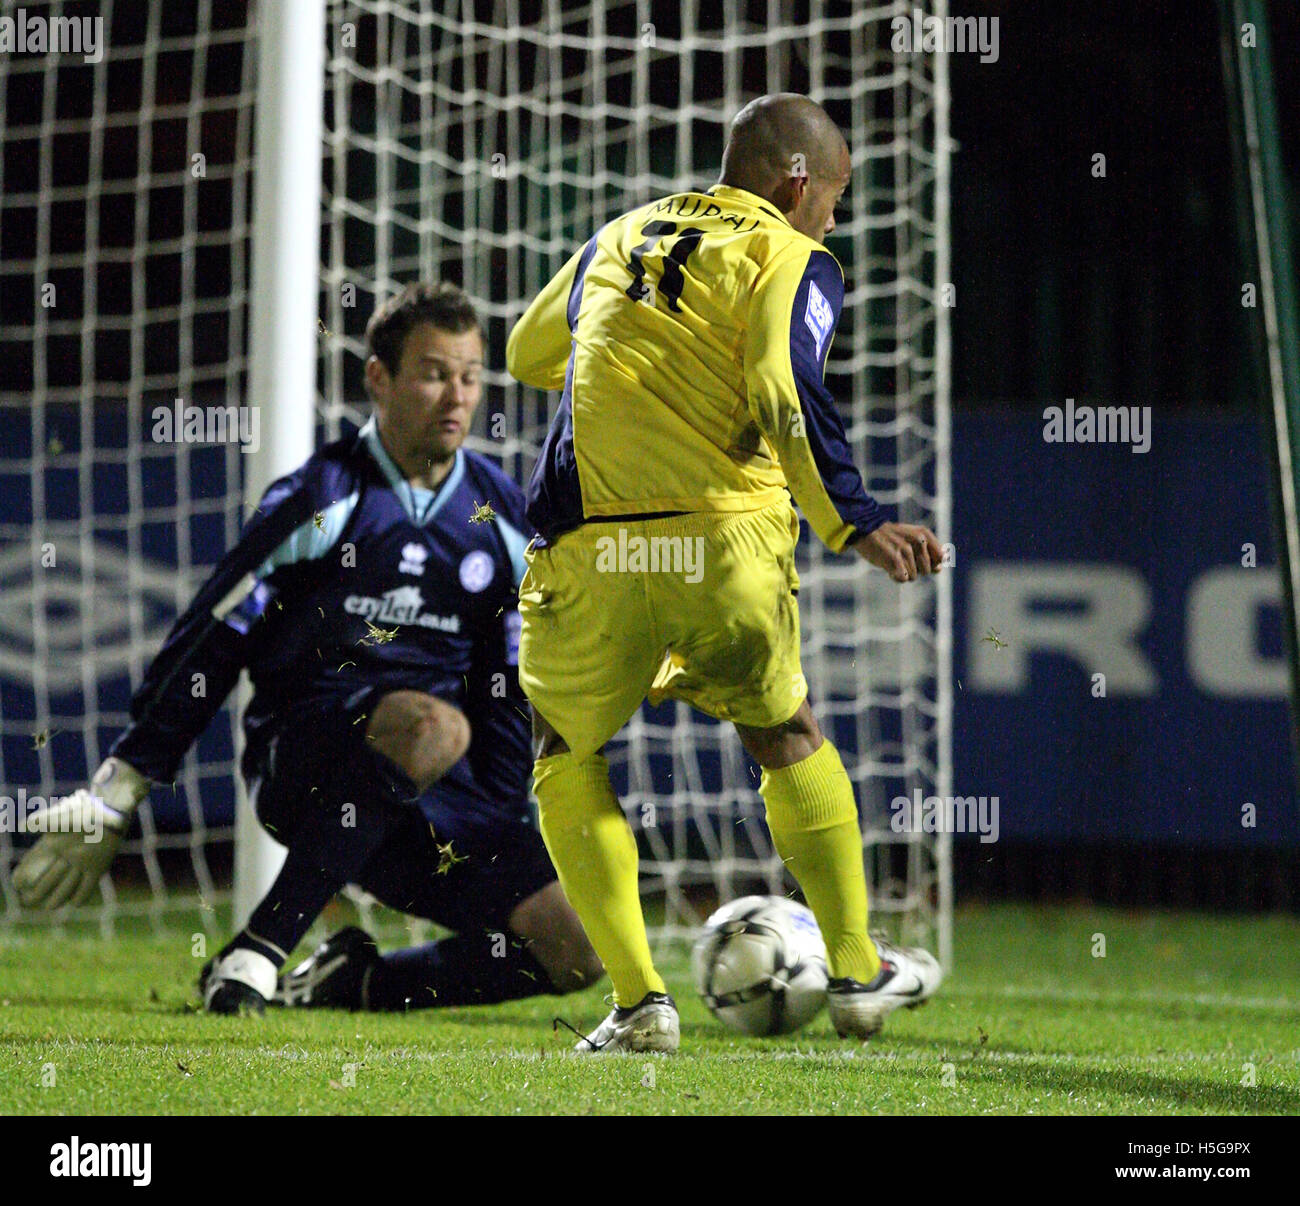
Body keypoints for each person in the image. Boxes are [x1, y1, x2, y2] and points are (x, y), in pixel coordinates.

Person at [15, 282, 602, 1014]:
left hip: (432, 792)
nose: (456, 395)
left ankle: (340, 985)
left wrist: (505, 810)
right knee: (430, 723)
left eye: (470, 374)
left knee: (576, 949)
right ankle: (259, 951)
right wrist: (124, 783)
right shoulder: (324, 496)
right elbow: (214, 634)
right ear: (378, 379)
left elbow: (524, 672)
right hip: (305, 761)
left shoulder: (499, 517)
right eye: (431, 372)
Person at [507, 93, 944, 1052]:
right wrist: (854, 522)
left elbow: (530, 352)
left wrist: (641, 363)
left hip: (594, 548)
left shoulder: (619, 236)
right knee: (784, 730)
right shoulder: (794, 258)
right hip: (721, 546)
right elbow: (786, 386)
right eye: (833, 194)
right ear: (797, 182)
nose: (834, 215)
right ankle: (859, 973)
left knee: (563, 750)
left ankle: (638, 1005)